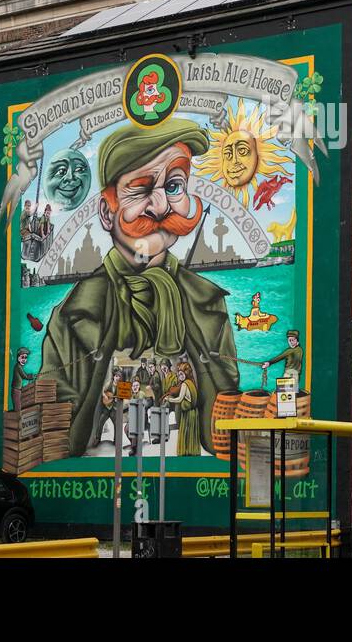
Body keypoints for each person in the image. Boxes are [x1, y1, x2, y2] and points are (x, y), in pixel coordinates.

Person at [37, 119, 239, 457]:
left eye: (174, 186)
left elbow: (226, 417)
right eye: (141, 189)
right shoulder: (73, 313)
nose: (160, 206)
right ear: (106, 211)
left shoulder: (209, 304)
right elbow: (54, 425)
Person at [166, 361, 200, 456]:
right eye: (178, 374)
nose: (179, 376)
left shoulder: (185, 384)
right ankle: (192, 451)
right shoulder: (192, 383)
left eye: (181, 374)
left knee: (185, 433)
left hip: (188, 414)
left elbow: (179, 399)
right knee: (192, 434)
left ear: (186, 374)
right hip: (194, 413)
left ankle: (184, 452)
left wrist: (169, 399)